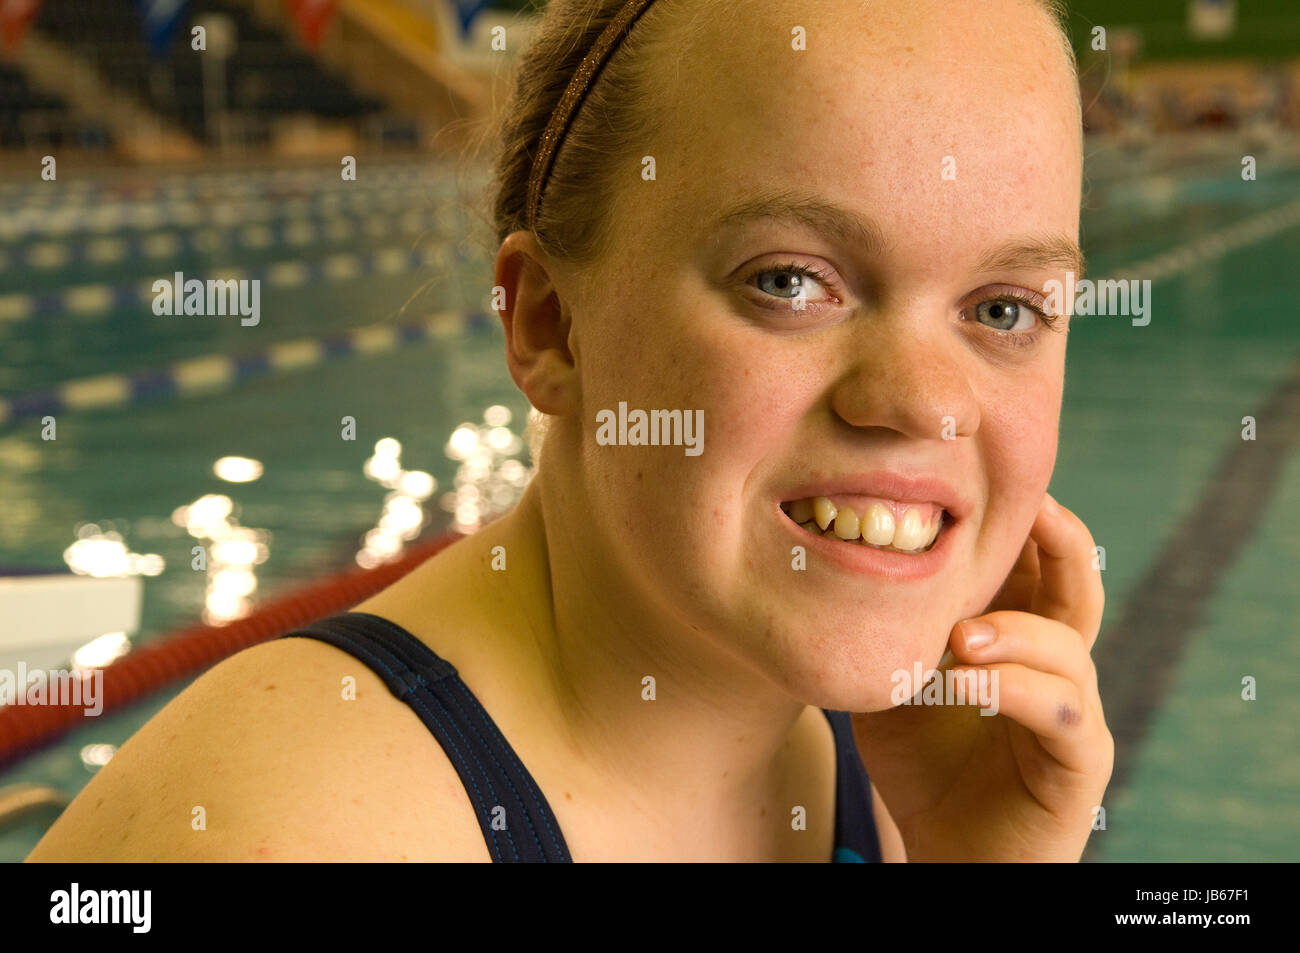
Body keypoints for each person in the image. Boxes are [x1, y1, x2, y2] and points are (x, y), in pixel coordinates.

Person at [28, 0, 1112, 862]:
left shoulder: (908, 761)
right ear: (548, 323)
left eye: (1004, 308)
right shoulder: (300, 832)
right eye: (790, 281)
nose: (924, 401)